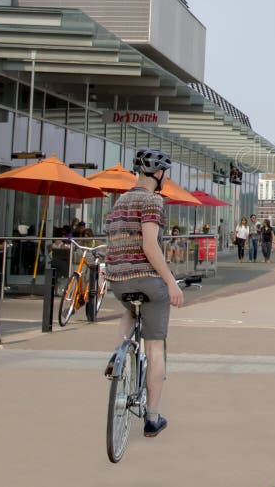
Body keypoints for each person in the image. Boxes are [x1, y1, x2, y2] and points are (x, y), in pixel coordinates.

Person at [104, 147, 184, 438]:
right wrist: (171, 282)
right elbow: (150, 246)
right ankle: (152, 418)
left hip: (118, 280)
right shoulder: (152, 201)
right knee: (154, 347)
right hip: (147, 281)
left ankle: (118, 354)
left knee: (130, 308)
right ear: (159, 173)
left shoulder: (119, 202)